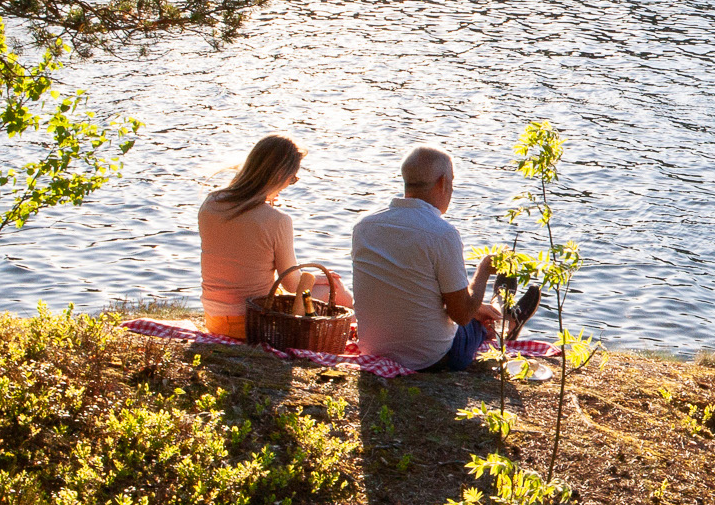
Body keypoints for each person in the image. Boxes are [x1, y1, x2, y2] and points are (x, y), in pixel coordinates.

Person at [351, 146, 539, 373]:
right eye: (452, 182)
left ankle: (499, 308)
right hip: (430, 357)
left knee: (458, 302)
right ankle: (506, 317)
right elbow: (461, 315)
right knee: (476, 323)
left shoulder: (364, 226)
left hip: (373, 348)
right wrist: (483, 270)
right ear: (442, 182)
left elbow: (412, 288)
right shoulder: (441, 233)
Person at [198, 134, 348, 339]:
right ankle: (368, 337)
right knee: (335, 289)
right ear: (279, 177)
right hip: (254, 322)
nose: (289, 184)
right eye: (292, 179)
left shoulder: (211, 203)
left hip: (214, 318)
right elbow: (292, 285)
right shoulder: (277, 220)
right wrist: (318, 279)